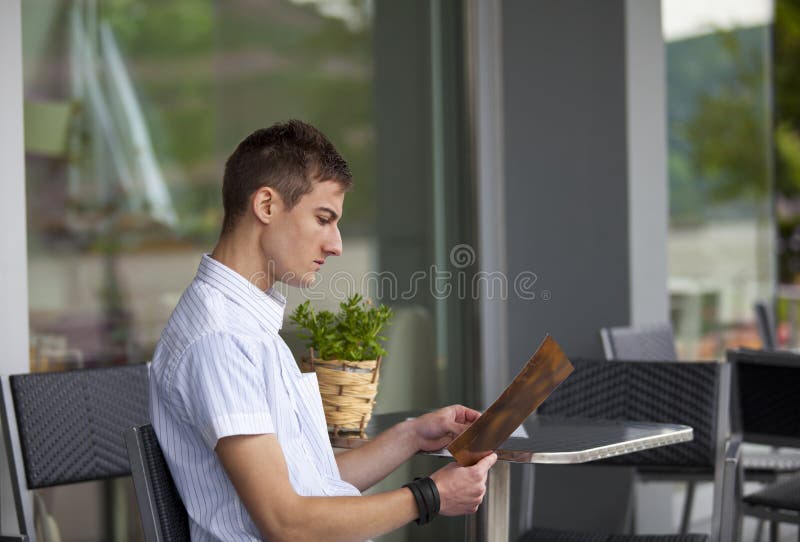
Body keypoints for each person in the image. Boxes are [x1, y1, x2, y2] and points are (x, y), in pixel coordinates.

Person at [150, 119, 497, 541]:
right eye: (323, 218)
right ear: (266, 206)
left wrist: (411, 435)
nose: (336, 244)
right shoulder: (220, 340)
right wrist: (429, 496)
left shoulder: (245, 325)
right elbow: (287, 524)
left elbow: (309, 482)